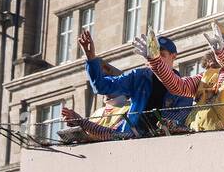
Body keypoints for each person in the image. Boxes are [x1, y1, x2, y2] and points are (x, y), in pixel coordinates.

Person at [62, 30, 192, 140]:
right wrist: (91, 58)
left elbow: (173, 122)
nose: (157, 60)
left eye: (161, 55)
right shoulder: (139, 76)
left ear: (173, 56)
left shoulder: (183, 87)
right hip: (132, 136)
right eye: (154, 55)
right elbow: (102, 86)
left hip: (160, 143)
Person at [140, 22, 224, 131]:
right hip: (201, 136)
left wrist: (222, 54)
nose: (221, 45)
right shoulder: (208, 75)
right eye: (220, 42)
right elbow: (178, 87)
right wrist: (155, 61)